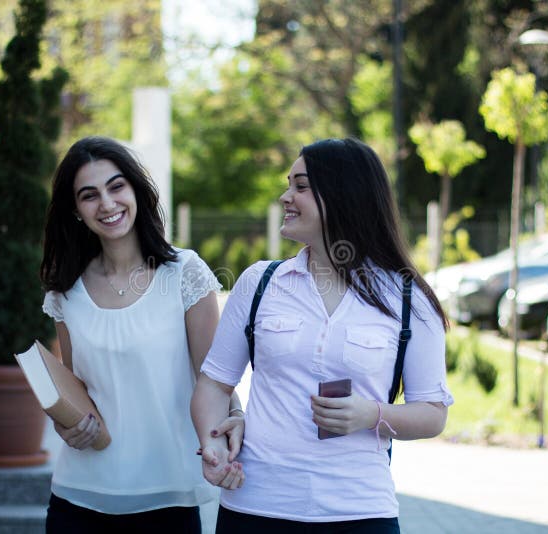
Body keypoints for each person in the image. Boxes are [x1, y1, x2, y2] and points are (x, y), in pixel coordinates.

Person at [191, 138, 453, 533]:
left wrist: (372, 414)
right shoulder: (259, 283)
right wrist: (212, 447)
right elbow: (213, 383)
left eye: (300, 186)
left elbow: (433, 415)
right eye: (288, 185)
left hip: (360, 513)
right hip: (255, 508)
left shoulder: (409, 299)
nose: (285, 197)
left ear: (343, 195)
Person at [40, 136, 245, 533]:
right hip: (78, 497)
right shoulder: (65, 291)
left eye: (116, 186)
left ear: (136, 189)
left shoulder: (184, 273)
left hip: (167, 497)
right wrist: (66, 425)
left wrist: (232, 422)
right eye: (89, 195)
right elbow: (76, 389)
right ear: (76, 211)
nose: (107, 204)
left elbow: (214, 378)